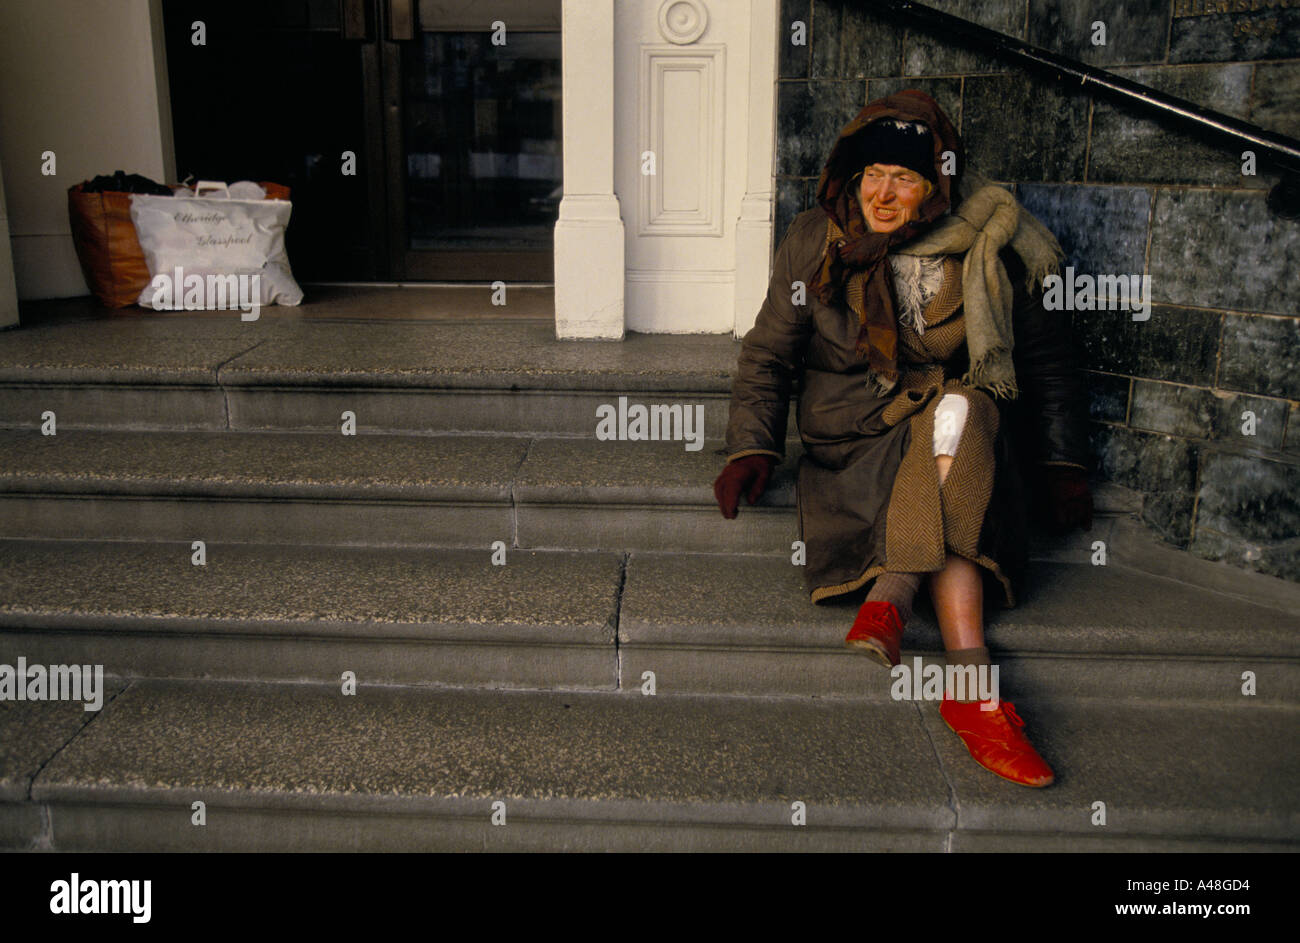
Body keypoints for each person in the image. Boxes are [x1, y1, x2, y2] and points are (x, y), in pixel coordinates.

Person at [713, 90, 1093, 788]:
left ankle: (894, 600)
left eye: (906, 178)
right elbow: (769, 352)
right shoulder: (814, 238)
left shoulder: (993, 246)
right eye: (872, 174)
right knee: (961, 422)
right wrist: (752, 446)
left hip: (951, 440)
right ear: (853, 175)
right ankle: (976, 698)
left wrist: (1063, 459)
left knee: (964, 410)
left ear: (937, 183)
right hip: (856, 437)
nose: (884, 194)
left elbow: (1045, 364)